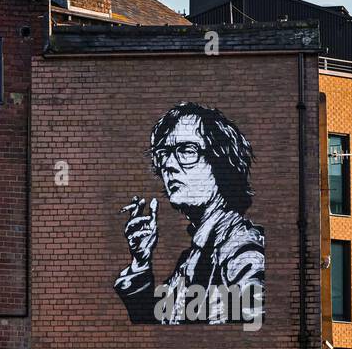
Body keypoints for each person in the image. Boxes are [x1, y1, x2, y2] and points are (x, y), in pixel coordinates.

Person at [113, 102, 264, 325]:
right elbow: (159, 332)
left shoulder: (241, 249)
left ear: (221, 162)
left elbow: (248, 326)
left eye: (187, 151)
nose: (169, 165)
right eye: (164, 153)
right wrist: (141, 262)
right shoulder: (193, 257)